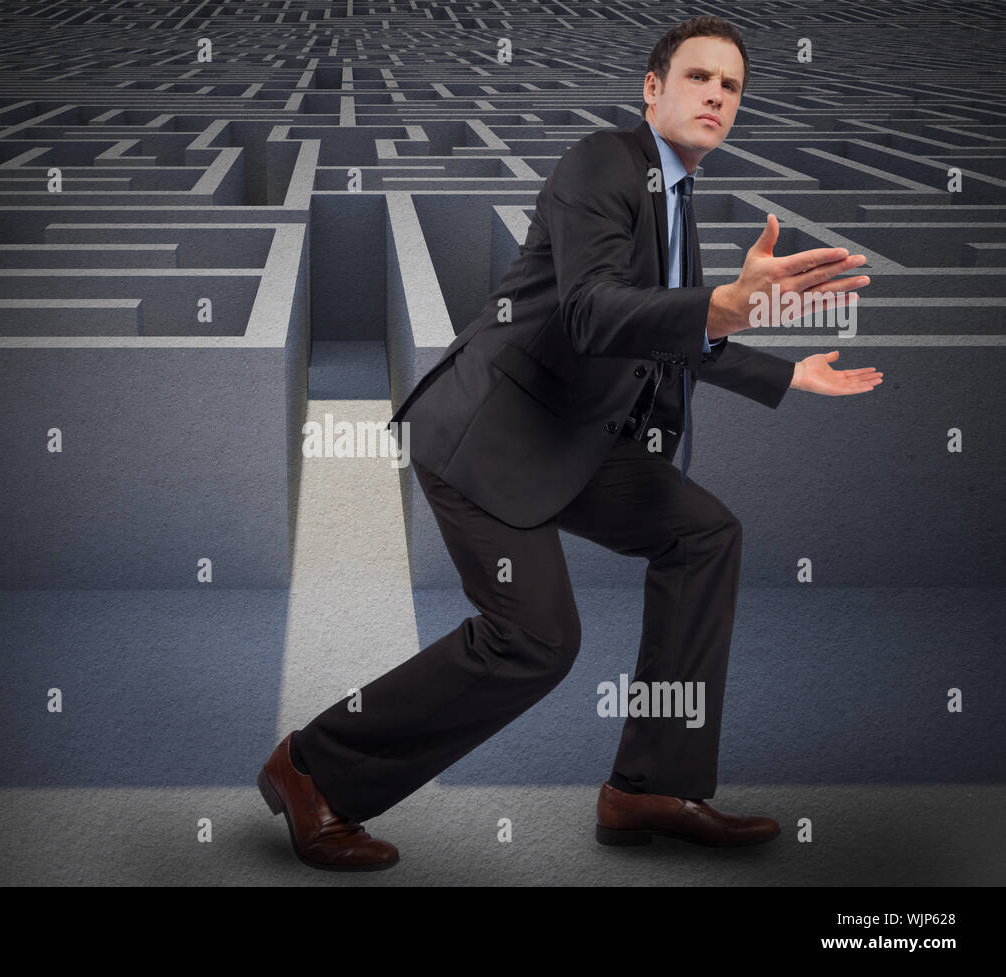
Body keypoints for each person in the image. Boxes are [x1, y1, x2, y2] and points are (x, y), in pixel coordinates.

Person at [257, 15, 882, 871]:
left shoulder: (677, 198)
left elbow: (666, 329)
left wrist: (782, 372)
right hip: (489, 437)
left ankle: (649, 785)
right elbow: (594, 312)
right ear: (651, 89)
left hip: (575, 437)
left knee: (706, 535)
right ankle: (312, 767)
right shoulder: (602, 164)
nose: (716, 96)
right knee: (537, 639)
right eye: (697, 77)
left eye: (731, 86)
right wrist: (723, 305)